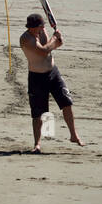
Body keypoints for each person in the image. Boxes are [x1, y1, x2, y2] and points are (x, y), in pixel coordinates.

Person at [20, 13, 82, 151]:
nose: (42, 29)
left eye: (42, 26)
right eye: (39, 27)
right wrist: (55, 39)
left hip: (53, 73)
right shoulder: (25, 39)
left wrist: (58, 41)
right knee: (38, 113)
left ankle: (74, 135)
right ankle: (37, 144)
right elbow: (43, 51)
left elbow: (52, 46)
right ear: (32, 27)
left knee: (67, 103)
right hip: (36, 77)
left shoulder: (42, 31)